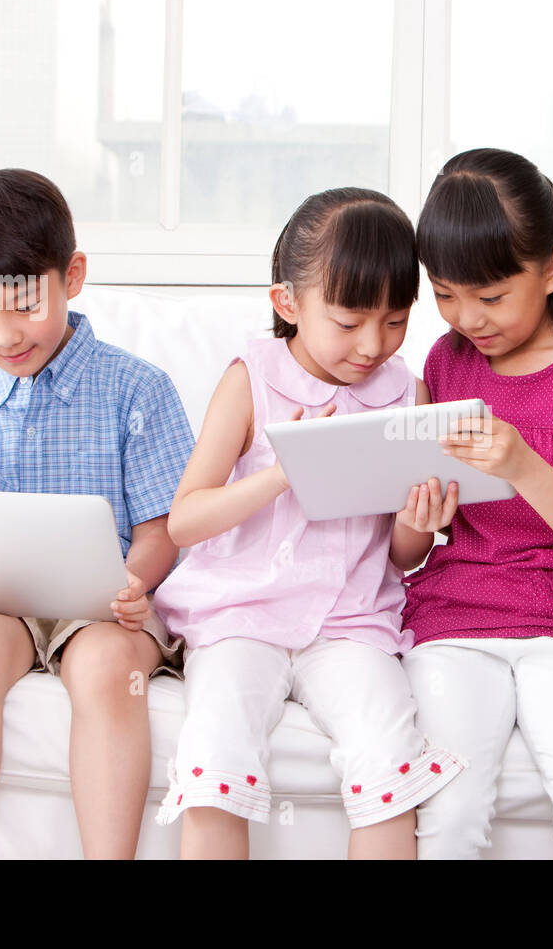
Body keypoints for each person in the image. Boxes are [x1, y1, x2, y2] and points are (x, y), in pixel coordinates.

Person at [152, 188, 463, 859]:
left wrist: (421, 522)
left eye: (395, 320)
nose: (373, 344)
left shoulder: (406, 392)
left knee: (386, 752)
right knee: (216, 749)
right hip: (241, 612)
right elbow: (185, 521)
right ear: (287, 304)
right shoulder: (252, 378)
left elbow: (402, 556)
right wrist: (280, 473)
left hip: (350, 620)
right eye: (349, 321)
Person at [0, 168, 196, 858]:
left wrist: (131, 583)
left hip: (111, 607)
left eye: (22, 306)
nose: (4, 335)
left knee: (102, 668)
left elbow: (166, 526)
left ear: (72, 276)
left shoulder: (138, 391)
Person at [395, 148, 553, 859]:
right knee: (446, 820)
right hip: (460, 612)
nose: (466, 317)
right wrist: (418, 523)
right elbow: (407, 552)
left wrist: (522, 465)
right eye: (446, 294)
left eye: (490, 295)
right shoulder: (444, 365)